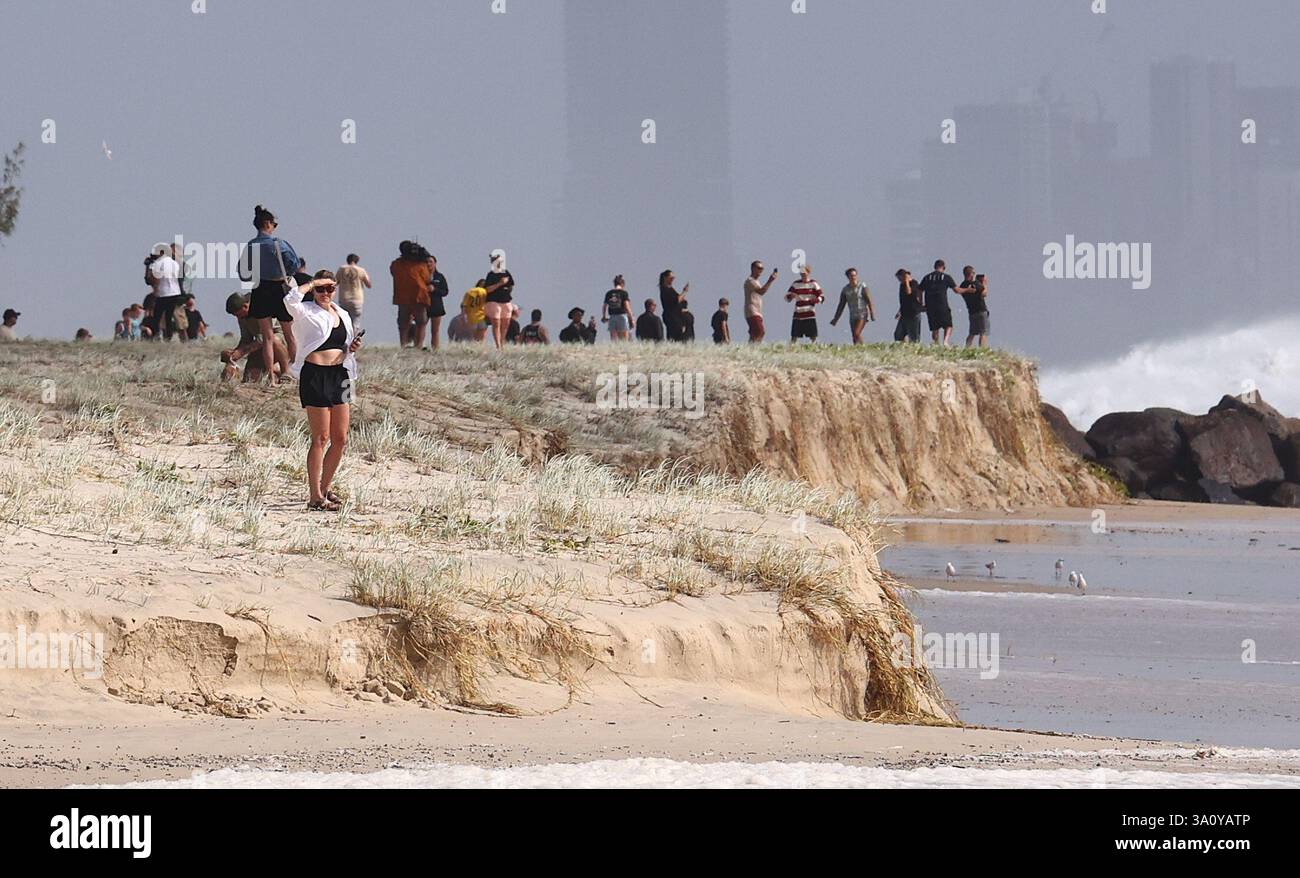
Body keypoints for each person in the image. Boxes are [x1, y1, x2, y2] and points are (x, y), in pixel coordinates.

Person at [284, 271, 363, 512]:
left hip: (340, 374)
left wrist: (353, 347)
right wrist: (311, 285)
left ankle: (325, 487)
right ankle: (314, 495)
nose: (326, 293)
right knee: (321, 437)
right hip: (315, 374)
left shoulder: (343, 314)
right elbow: (290, 301)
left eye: (330, 288)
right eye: (322, 288)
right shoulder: (305, 310)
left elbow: (344, 344)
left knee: (340, 439)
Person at [240, 205, 301, 382]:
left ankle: (272, 379)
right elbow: (294, 264)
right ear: (268, 224)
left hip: (260, 289)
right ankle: (293, 372)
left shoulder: (251, 245)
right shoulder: (278, 244)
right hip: (278, 288)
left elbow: (243, 271)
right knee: (289, 334)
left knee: (267, 336)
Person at [223, 292, 290, 383]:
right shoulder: (243, 318)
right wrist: (234, 353)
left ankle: (286, 373)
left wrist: (242, 351)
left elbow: (267, 336)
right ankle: (274, 370)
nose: (238, 317)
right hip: (260, 346)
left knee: (274, 340)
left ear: (245, 306)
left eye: (238, 314)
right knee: (250, 379)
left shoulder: (263, 307)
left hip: (280, 341)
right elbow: (246, 339)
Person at [391, 241, 431, 349]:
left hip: (402, 297)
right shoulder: (421, 265)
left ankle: (403, 344)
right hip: (419, 296)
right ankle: (419, 345)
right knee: (421, 322)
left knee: (403, 323)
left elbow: (392, 272)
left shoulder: (396, 264)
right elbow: (427, 278)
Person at [830, 268, 876, 344]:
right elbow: (841, 305)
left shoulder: (862, 286)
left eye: (855, 275)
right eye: (851, 276)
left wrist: (872, 314)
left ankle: (864, 347)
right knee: (854, 337)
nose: (853, 277)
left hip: (862, 314)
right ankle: (858, 351)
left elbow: (869, 300)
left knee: (856, 333)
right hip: (853, 315)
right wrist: (836, 319)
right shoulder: (845, 289)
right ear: (848, 277)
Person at [918, 259, 957, 346]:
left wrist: (921, 303)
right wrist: (968, 290)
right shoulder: (946, 277)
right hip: (942, 304)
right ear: (944, 267)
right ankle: (945, 341)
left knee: (934, 327)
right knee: (948, 325)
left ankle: (936, 343)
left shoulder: (927, 277)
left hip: (930, 305)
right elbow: (956, 290)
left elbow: (919, 290)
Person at [150, 244, 185, 341]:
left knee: (157, 315)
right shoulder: (174, 263)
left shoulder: (158, 263)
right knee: (169, 316)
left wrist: (155, 289)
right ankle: (168, 336)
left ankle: (156, 335)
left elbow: (156, 278)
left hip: (163, 292)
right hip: (175, 291)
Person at [483, 250, 515, 350]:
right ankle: (497, 345)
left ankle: (502, 342)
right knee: (496, 322)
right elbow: (487, 289)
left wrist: (507, 290)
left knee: (506, 323)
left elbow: (511, 284)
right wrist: (500, 284)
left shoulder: (506, 272)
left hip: (505, 300)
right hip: (493, 300)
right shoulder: (491, 275)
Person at [785, 264, 825, 342]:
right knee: (794, 335)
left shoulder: (813, 284)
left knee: (812, 335)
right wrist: (791, 296)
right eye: (801, 272)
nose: (802, 274)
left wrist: (815, 301)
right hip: (798, 313)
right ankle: (792, 348)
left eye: (804, 272)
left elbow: (822, 296)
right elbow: (787, 297)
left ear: (808, 272)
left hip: (809, 313)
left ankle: (813, 347)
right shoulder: (796, 284)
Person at [743, 260, 779, 343]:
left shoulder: (756, 281)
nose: (761, 271)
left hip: (757, 310)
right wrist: (770, 280)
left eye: (762, 269)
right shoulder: (750, 281)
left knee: (754, 333)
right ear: (753, 268)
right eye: (759, 268)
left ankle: (749, 350)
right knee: (760, 331)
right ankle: (755, 348)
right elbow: (761, 291)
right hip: (752, 310)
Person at [335, 253, 372, 331]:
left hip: (344, 298)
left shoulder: (341, 269)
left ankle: (346, 340)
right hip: (357, 298)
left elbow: (335, 282)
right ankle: (353, 341)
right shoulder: (361, 270)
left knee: (345, 321)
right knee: (355, 322)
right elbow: (368, 284)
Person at [958, 267, 991, 348]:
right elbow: (984, 294)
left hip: (972, 311)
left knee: (972, 333)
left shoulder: (962, 285)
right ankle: (982, 350)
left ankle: (967, 348)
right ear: (971, 273)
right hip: (981, 311)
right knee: (983, 333)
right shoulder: (975, 284)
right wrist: (985, 284)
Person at [893, 269, 924, 343]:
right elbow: (904, 300)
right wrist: (899, 311)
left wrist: (907, 281)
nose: (900, 281)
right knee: (898, 335)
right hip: (904, 313)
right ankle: (903, 347)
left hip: (913, 313)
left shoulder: (914, 283)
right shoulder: (902, 285)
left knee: (913, 336)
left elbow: (909, 292)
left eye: (900, 278)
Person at [426, 254, 450, 350]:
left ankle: (435, 348)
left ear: (435, 263)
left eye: (430, 262)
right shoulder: (421, 276)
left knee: (435, 330)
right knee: (421, 326)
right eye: (427, 262)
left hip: (436, 305)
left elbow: (445, 291)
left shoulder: (440, 277)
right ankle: (419, 346)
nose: (428, 264)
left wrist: (434, 289)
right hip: (424, 305)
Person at [658, 270, 689, 342]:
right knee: (675, 335)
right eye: (671, 278)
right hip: (671, 316)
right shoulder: (665, 289)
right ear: (665, 278)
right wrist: (684, 291)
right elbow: (677, 300)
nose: (672, 280)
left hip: (675, 315)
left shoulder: (670, 289)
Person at [602, 275, 633, 342]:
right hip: (622, 316)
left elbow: (604, 306)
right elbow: (627, 307)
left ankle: (614, 350)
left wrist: (604, 316)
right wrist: (631, 318)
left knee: (613, 338)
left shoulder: (609, 293)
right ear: (622, 284)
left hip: (612, 316)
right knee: (624, 338)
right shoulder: (624, 293)